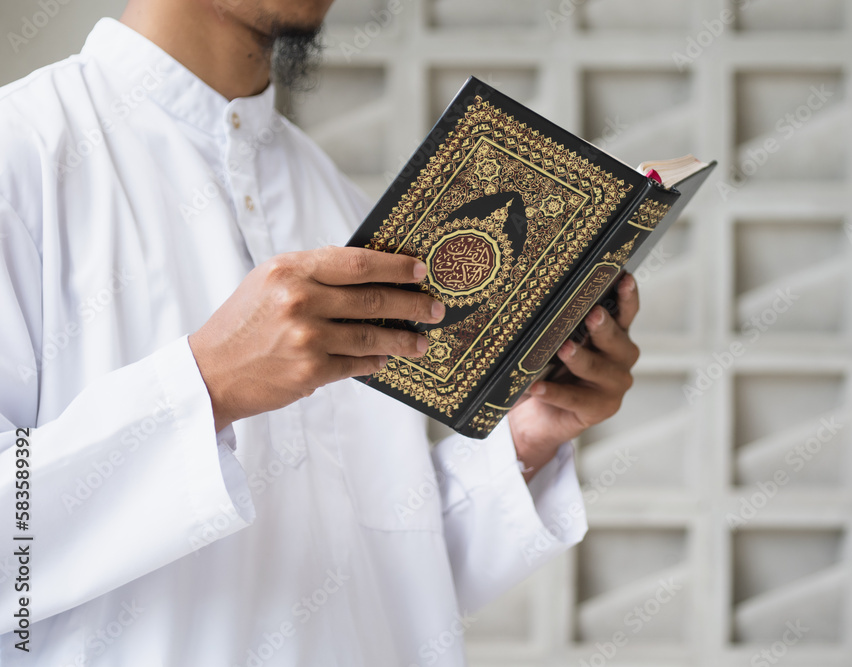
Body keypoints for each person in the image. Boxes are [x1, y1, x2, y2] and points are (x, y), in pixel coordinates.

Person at [0, 0, 642, 664]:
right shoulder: (20, 158)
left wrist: (527, 435)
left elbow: (389, 575)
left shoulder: (342, 203)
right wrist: (207, 387)